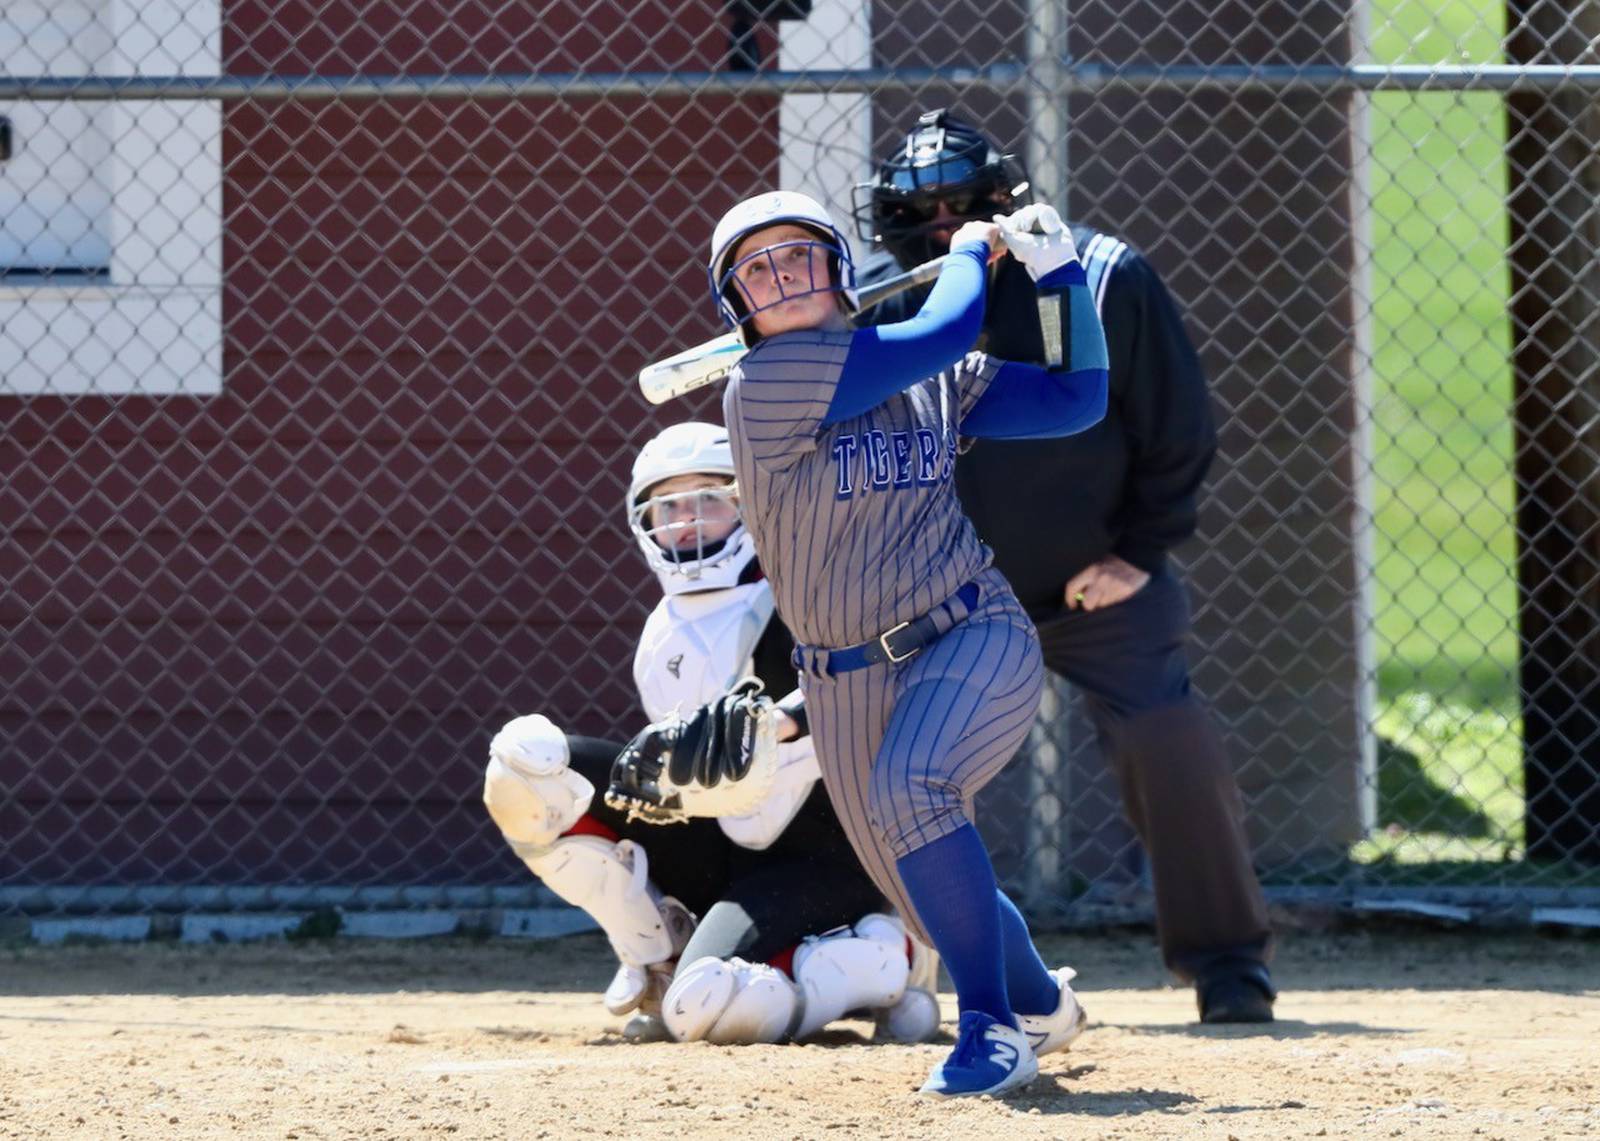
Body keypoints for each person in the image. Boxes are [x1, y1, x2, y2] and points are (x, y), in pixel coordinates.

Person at [852, 109, 1276, 1024]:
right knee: (863, 754)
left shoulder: (1099, 277)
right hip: (942, 597)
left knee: (1168, 736)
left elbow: (1180, 428)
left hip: (1094, 580)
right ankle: (860, 955)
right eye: (919, 211)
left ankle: (1228, 964)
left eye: (961, 206)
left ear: (1005, 201)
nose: (942, 228)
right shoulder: (885, 305)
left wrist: (1138, 552)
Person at [692, 188, 1108, 1097]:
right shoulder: (762, 386)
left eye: (797, 255)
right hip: (841, 675)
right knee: (921, 877)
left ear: (836, 268)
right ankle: (1038, 1001)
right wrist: (966, 254)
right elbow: (945, 331)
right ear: (738, 308)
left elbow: (1077, 397)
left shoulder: (922, 373)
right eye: (754, 270)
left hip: (970, 629)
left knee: (912, 788)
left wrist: (1059, 278)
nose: (779, 275)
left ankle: (993, 1031)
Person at [481, 420, 954, 1046]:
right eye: (670, 506)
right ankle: (659, 957)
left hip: (827, 857)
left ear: (749, 504)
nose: (688, 521)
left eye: (710, 499)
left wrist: (786, 720)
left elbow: (879, 682)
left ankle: (886, 950)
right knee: (525, 767)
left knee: (710, 1012)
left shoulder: (808, 595)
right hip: (724, 844)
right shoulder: (662, 633)